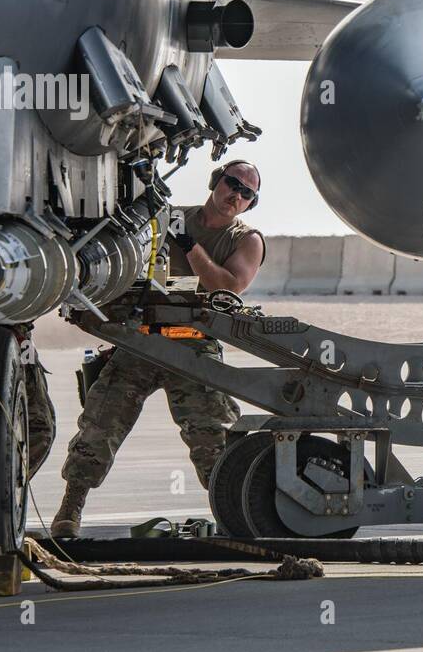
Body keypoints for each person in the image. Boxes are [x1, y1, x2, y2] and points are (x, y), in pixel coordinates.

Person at [50, 161, 265, 537]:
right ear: (215, 181)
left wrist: (187, 245)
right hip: (142, 340)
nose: (237, 195)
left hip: (193, 347)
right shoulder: (166, 216)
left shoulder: (246, 239)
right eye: (232, 184)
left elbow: (226, 288)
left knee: (212, 438)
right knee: (99, 427)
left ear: (250, 203)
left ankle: (235, 519)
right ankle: (70, 510)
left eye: (247, 193)